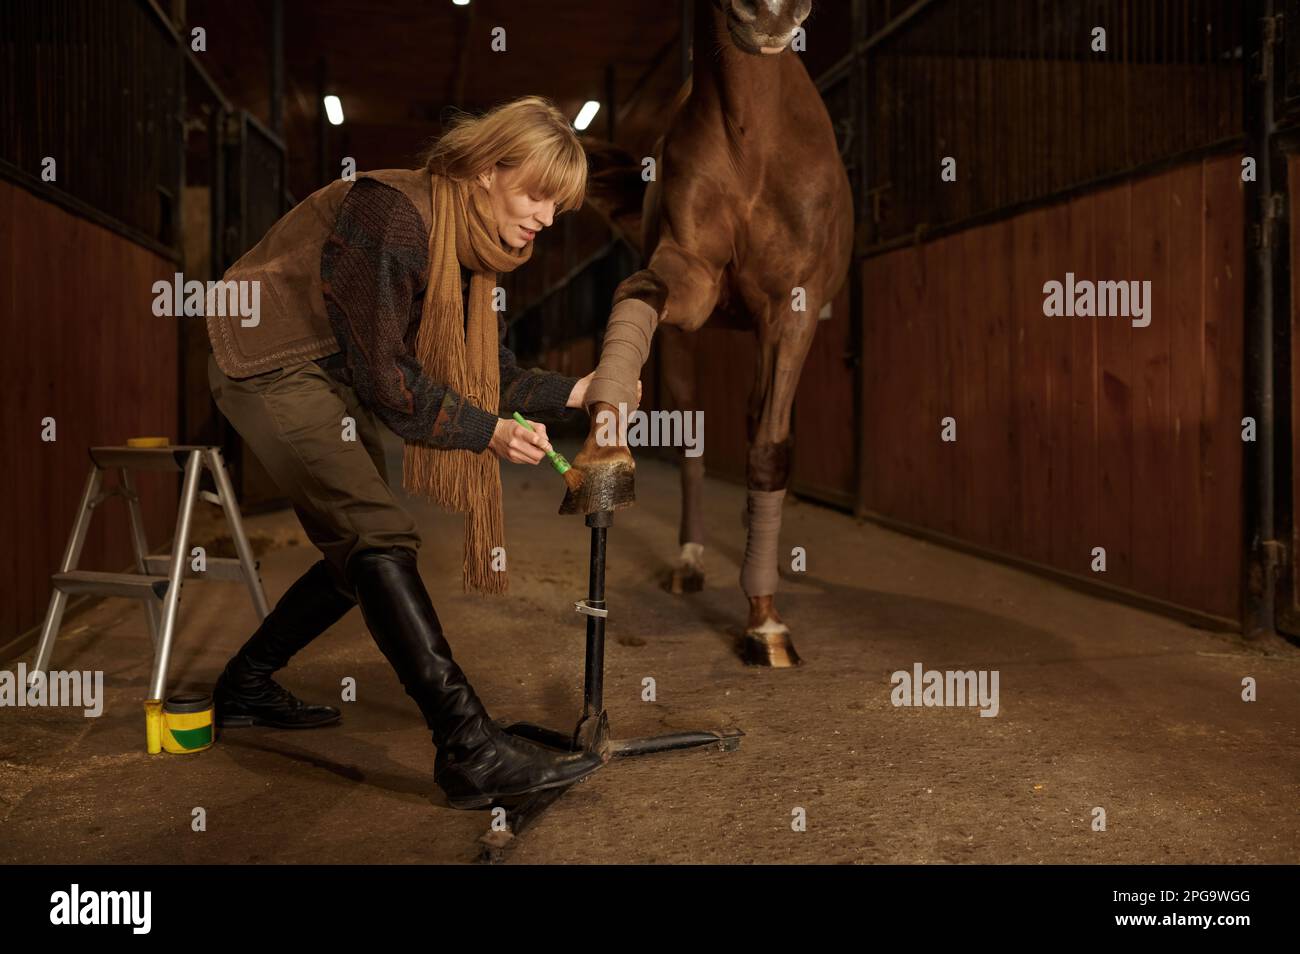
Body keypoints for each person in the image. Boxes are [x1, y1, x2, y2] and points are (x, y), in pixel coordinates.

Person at [203, 95, 633, 810]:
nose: (547, 219)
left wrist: (581, 390)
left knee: (360, 547)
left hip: (331, 368)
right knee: (376, 534)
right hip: (268, 355)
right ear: (489, 168)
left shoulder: (476, 256)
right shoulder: (393, 216)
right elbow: (389, 383)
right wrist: (487, 432)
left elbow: (490, 374)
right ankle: (467, 748)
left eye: (559, 206)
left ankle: (244, 687)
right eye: (537, 194)